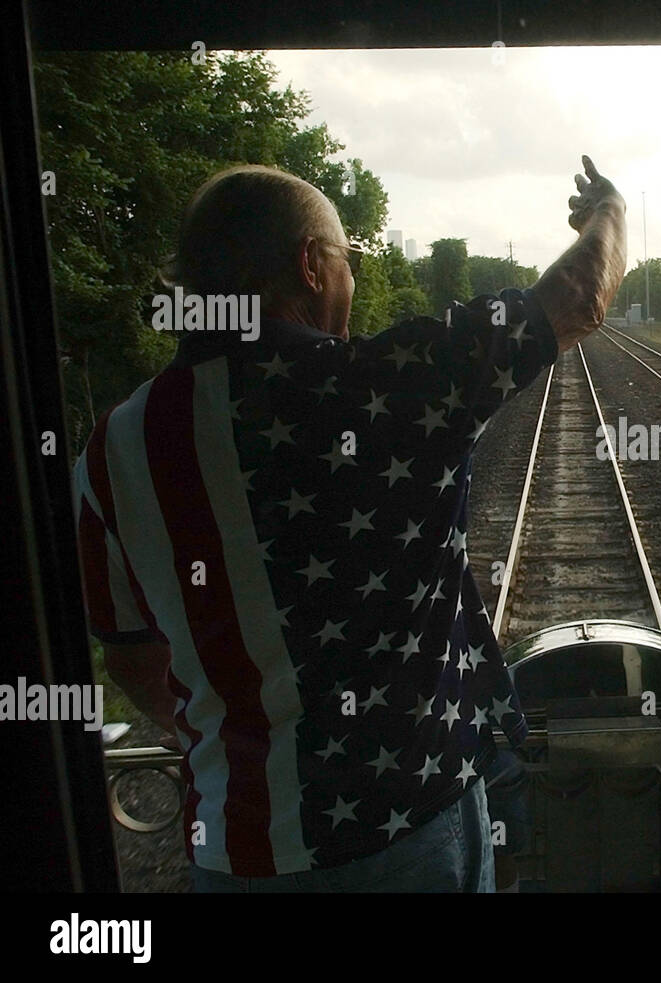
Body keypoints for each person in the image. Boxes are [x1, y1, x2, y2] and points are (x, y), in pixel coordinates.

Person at [73, 155, 626, 891]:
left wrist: (242, 749)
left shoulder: (113, 444)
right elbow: (580, 295)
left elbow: (132, 658)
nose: (352, 279)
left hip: (235, 853)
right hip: (411, 829)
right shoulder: (384, 382)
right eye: (347, 260)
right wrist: (610, 210)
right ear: (310, 264)